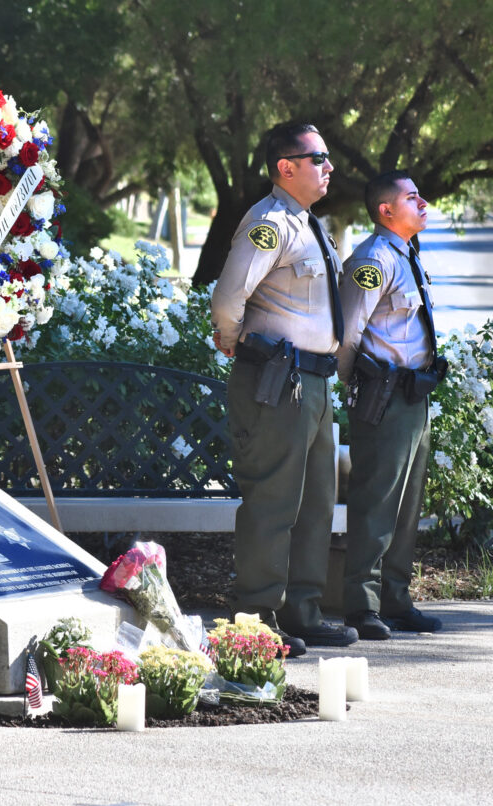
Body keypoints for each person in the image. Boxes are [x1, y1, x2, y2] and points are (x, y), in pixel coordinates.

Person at [210, 122, 359, 656]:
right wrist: (232, 339)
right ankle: (256, 616)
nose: (329, 167)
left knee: (316, 503)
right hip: (277, 380)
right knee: (273, 501)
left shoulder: (309, 225)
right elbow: (229, 297)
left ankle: (304, 610)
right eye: (318, 158)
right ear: (285, 167)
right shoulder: (268, 223)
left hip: (315, 383)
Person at [338, 171, 445, 639]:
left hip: (413, 396)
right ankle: (362, 605)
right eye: (412, 197)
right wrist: (352, 391)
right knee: (375, 502)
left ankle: (396, 599)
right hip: (383, 397)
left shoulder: (407, 254)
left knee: (407, 506)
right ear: (386, 210)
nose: (423, 203)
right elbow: (347, 337)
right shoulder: (373, 260)